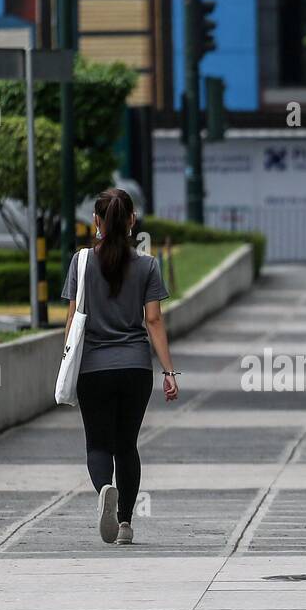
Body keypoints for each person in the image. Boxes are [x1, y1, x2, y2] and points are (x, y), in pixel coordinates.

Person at [61, 188, 179, 546]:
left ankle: (104, 490)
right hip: (135, 370)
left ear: (97, 222)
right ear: (131, 221)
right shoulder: (147, 265)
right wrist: (169, 372)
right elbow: (154, 321)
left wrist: (65, 363)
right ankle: (126, 523)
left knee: (98, 445)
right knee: (126, 445)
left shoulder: (81, 262)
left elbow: (71, 319)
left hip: (93, 369)